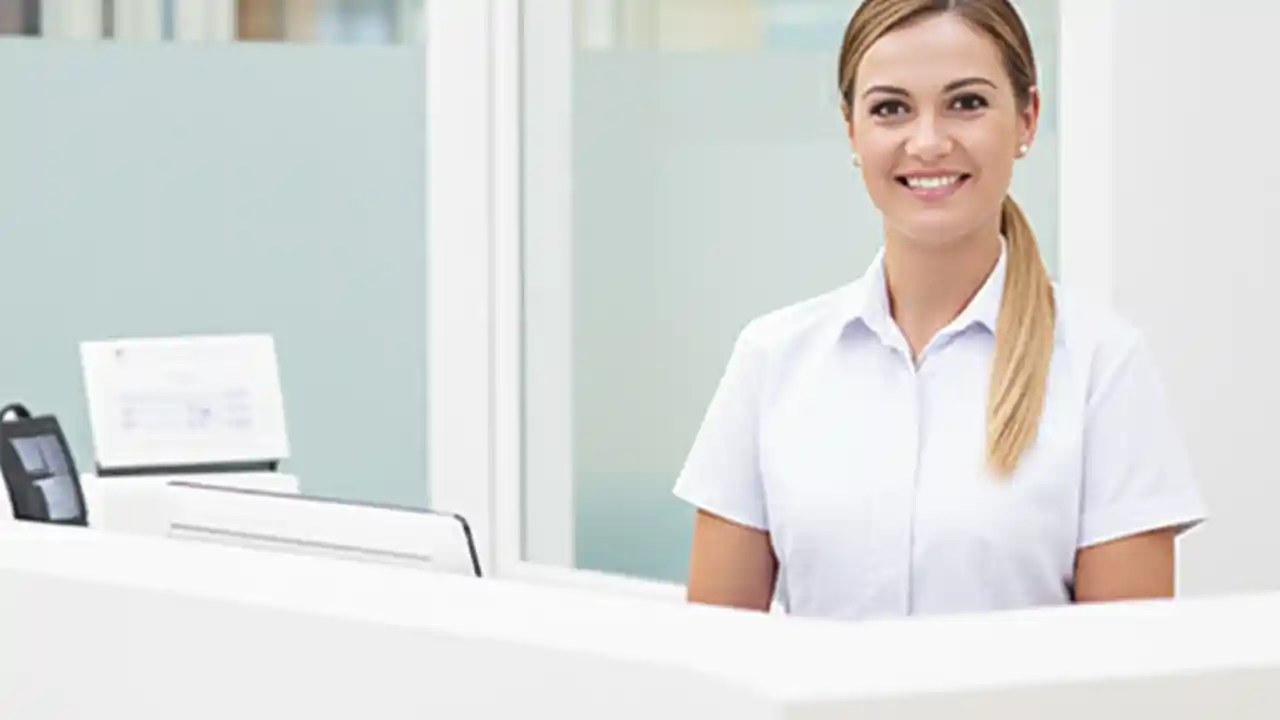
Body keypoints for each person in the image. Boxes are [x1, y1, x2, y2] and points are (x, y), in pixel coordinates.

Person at [673, 0, 1207, 621]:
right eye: (890, 108)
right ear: (852, 130)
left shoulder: (1101, 367)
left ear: (1027, 119)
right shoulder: (771, 361)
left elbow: (1128, 681)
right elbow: (718, 653)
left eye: (967, 103)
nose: (927, 142)